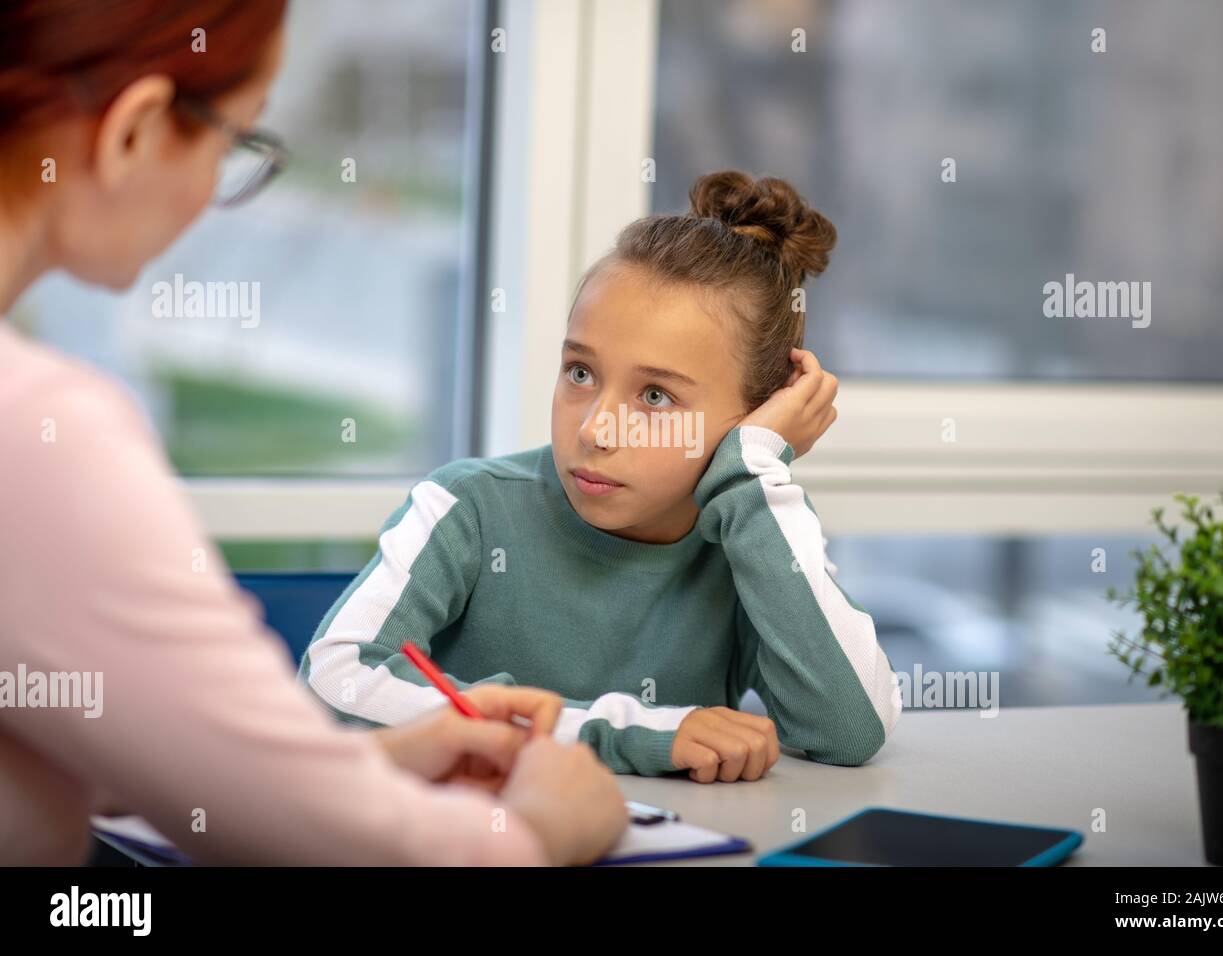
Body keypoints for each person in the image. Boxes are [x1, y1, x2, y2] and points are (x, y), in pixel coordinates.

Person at [0, 0, 627, 866]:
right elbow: (327, 852)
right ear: (135, 131)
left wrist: (359, 770)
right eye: (236, 142)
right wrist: (540, 828)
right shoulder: (36, 435)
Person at [299, 170, 904, 783]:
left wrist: (755, 472)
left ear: (755, 417)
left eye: (656, 396)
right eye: (581, 373)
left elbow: (849, 730)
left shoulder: (752, 530)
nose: (595, 430)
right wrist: (620, 732)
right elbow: (335, 684)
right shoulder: (467, 508)